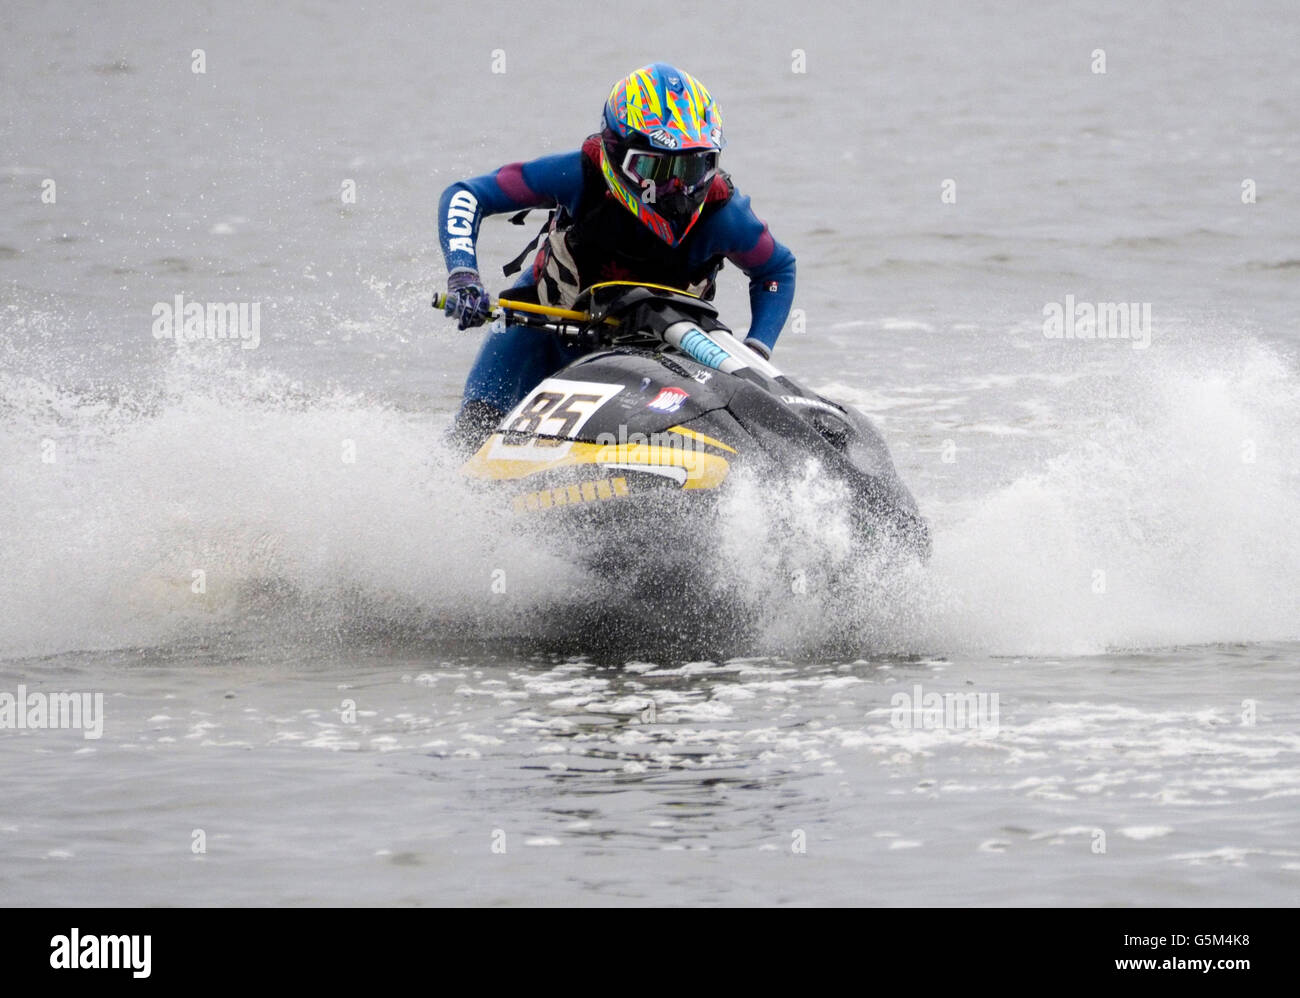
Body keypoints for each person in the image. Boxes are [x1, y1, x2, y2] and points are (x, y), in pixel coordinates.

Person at [436, 62, 797, 450]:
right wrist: (464, 275)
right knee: (468, 442)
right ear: (614, 152)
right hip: (541, 333)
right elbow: (466, 195)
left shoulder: (725, 215)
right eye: (656, 167)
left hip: (660, 358)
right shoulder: (578, 177)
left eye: (693, 166)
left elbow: (775, 271)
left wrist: (757, 349)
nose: (676, 188)